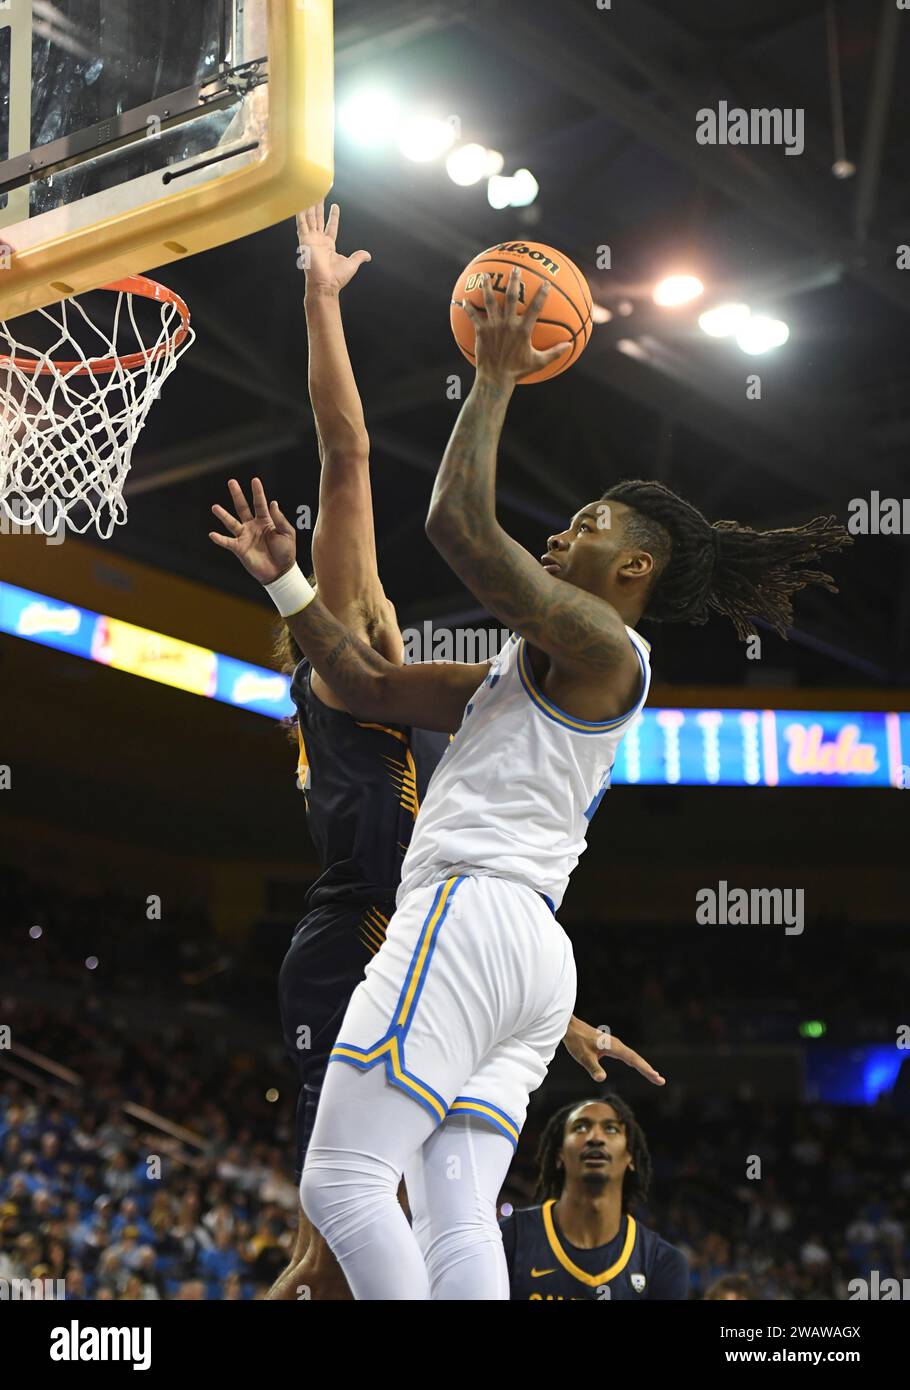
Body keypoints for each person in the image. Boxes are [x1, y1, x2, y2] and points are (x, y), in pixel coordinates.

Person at [210, 264, 849, 1299]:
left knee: (341, 1182)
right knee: (457, 1206)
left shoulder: (609, 651)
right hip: (530, 964)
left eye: (589, 524)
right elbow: (362, 677)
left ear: (634, 569)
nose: (562, 532)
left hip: (466, 918)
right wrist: (283, 578)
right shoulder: (530, 670)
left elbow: (457, 528)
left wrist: (494, 376)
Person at [259, 205, 660, 1300]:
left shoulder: (469, 693)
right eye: (362, 599)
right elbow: (345, 452)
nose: (381, 599)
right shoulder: (354, 666)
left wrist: (552, 1006)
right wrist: (320, 299)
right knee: (337, 1233)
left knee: (392, 1217)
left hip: (450, 939)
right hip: (371, 933)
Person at [501, 1096, 688, 1300]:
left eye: (611, 1129)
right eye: (580, 1127)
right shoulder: (508, 1239)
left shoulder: (661, 1262)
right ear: (559, 1155)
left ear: (630, 1158)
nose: (595, 1137)